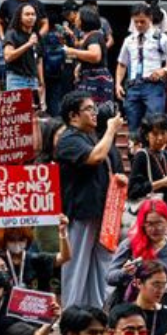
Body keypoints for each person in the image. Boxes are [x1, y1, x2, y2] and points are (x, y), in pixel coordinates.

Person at [56, 93, 123, 309]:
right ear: (74, 116)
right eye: (89, 109)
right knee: (76, 265)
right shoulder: (69, 139)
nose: (95, 113)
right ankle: (71, 314)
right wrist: (111, 129)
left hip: (101, 213)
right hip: (80, 213)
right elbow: (95, 157)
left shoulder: (90, 137)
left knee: (101, 264)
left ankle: (98, 311)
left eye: (95, 109)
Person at [115, 3, 167, 132]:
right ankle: (135, 151)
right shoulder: (129, 40)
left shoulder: (160, 38)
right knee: (133, 125)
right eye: (136, 22)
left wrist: (164, 70)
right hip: (133, 87)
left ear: (150, 18)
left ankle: (153, 151)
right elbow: (122, 63)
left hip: (153, 85)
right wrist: (118, 84)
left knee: (154, 124)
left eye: (142, 21)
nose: (139, 25)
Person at [3, 2, 45, 93]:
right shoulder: (12, 34)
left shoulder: (36, 36)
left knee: (32, 107)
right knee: (18, 107)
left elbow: (39, 60)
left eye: (33, 14)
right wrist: (28, 44)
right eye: (27, 14)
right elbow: (8, 56)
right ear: (20, 17)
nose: (31, 17)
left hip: (33, 81)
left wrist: (41, 82)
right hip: (17, 80)